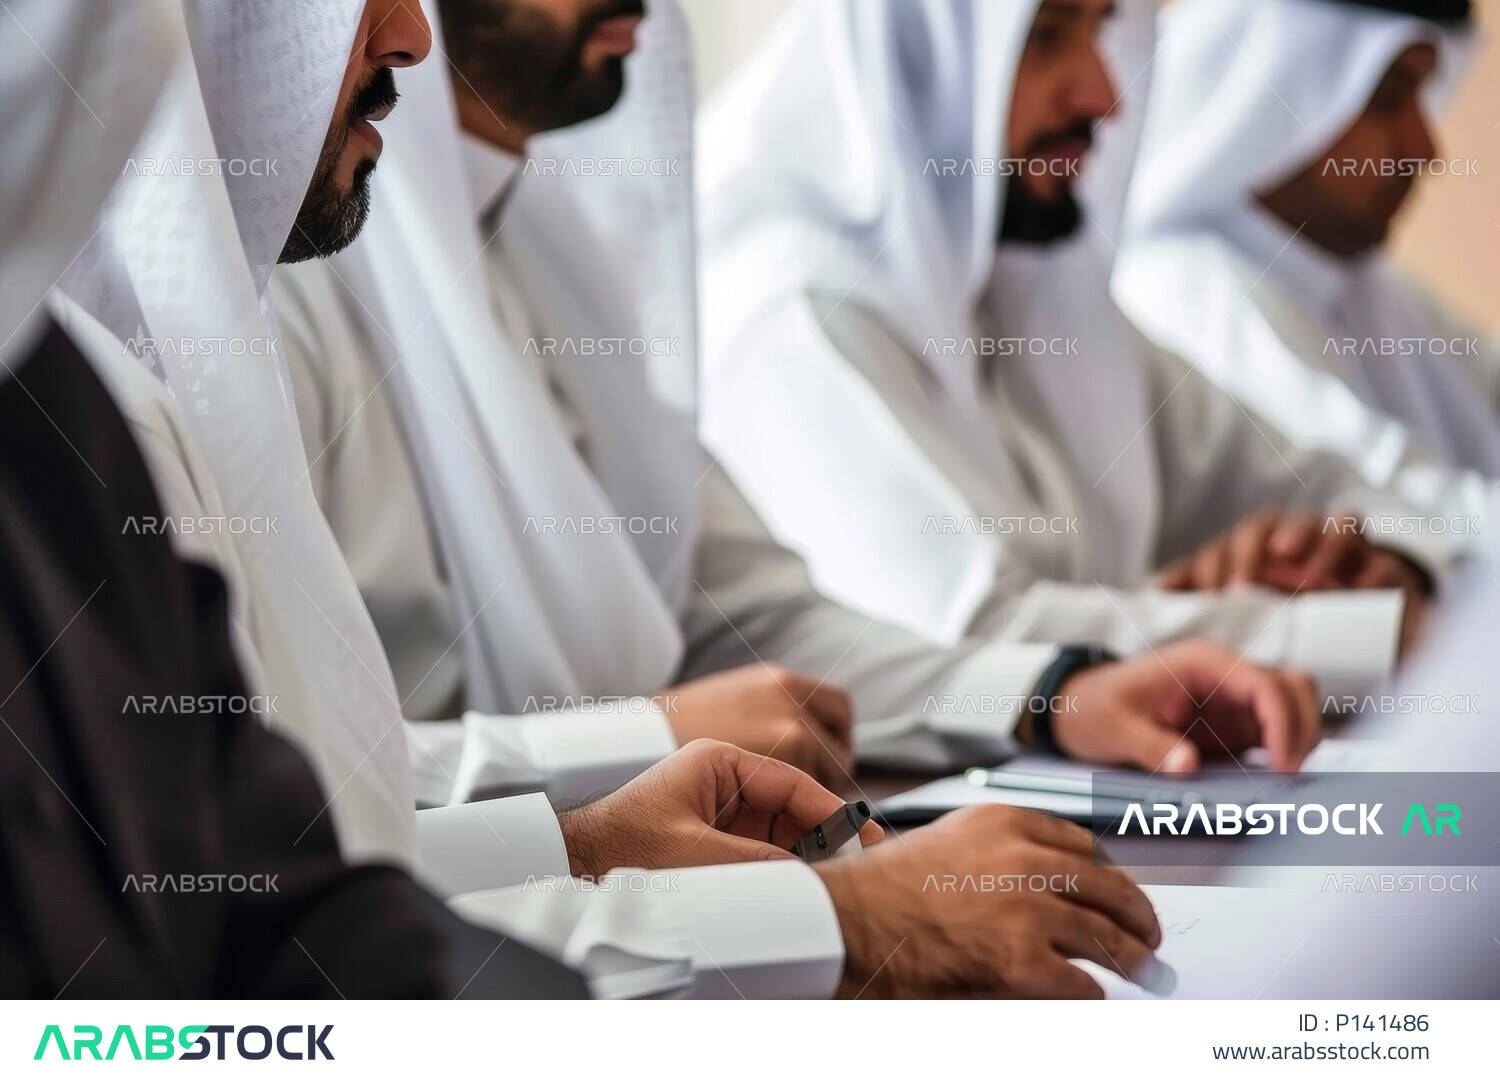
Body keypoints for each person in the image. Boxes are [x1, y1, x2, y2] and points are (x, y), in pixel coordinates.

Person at [59, 0, 1169, 1000]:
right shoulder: (242, 326)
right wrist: (815, 907)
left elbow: (739, 605)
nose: (408, 35)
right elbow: (272, 919)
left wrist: (1052, 688)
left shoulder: (556, 254)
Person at [0, 0, 583, 1000]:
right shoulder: (111, 404)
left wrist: (597, 833)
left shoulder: (68, 397)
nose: (412, 36)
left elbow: (277, 895)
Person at [698, 0, 1481, 707]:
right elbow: (969, 640)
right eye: (1044, 38)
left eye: (1101, 28)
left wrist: (1383, 563)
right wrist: (1360, 632)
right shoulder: (798, 314)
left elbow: (1337, 486)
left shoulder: (1042, 290)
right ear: (919, 57)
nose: (1103, 94)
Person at [1117, 0, 1500, 491]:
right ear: (1269, 99)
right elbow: (1404, 515)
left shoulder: (1363, 283)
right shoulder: (1190, 293)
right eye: (1388, 98)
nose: (1424, 149)